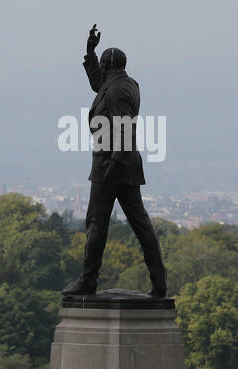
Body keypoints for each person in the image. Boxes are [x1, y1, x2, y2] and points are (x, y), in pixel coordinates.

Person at [64, 26, 168, 298]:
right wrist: (90, 52)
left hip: (111, 164)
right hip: (124, 164)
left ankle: (88, 281)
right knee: (140, 223)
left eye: (100, 63)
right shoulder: (127, 84)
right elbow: (98, 85)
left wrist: (113, 161)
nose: (98, 67)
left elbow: (123, 126)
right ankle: (159, 282)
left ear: (108, 65)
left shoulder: (116, 91)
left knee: (97, 224)